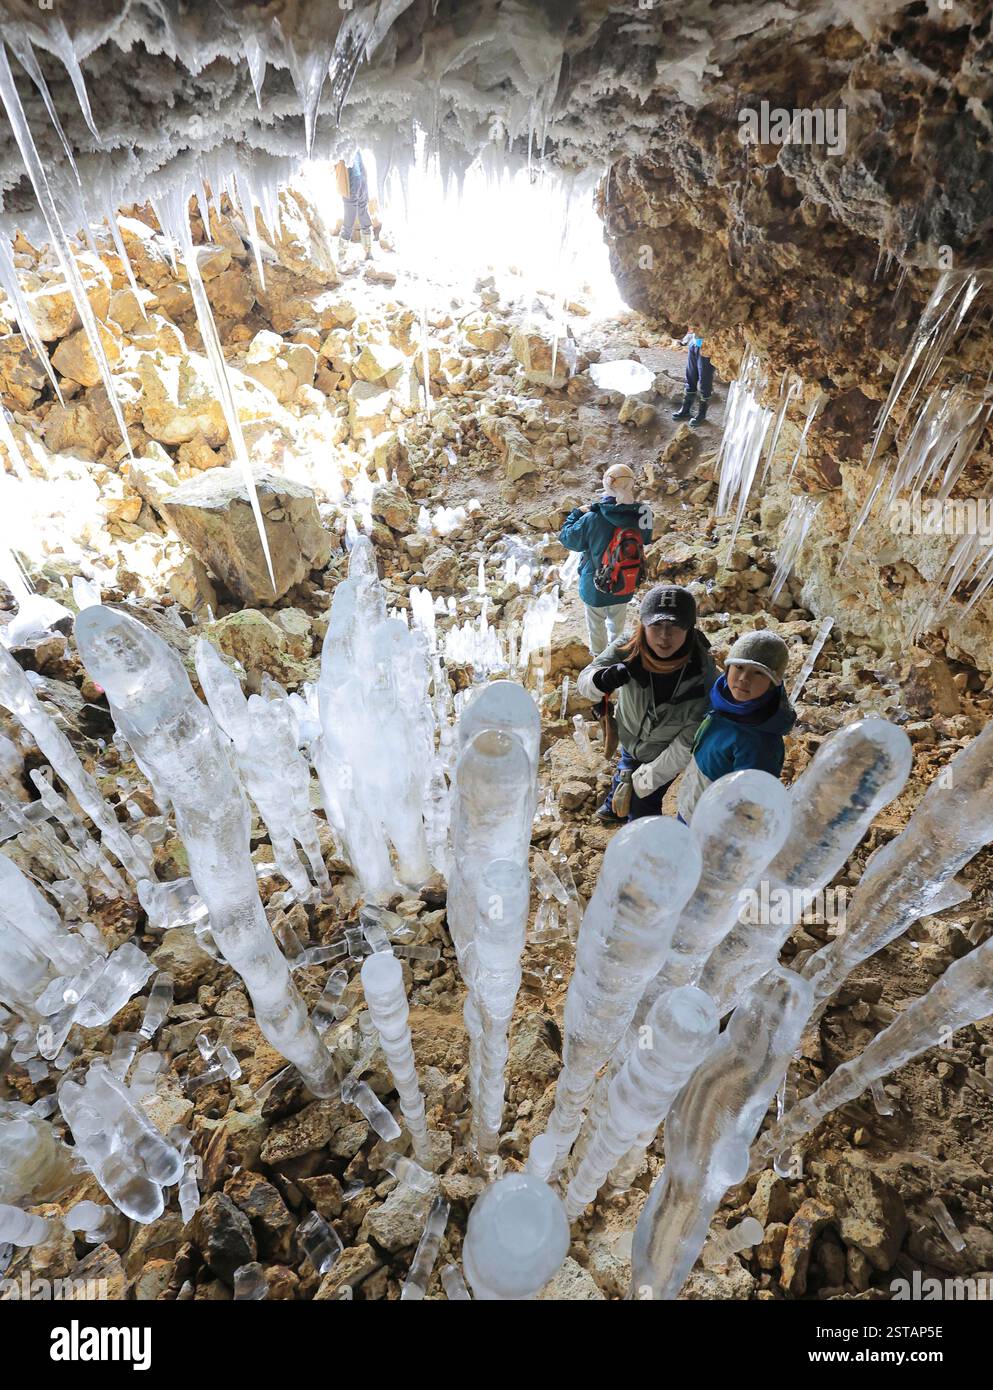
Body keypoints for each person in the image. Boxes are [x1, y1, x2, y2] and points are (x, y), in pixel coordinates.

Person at [577, 584, 717, 823]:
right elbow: (585, 681)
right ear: (643, 624)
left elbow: (685, 744)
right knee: (625, 770)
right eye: (656, 625)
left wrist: (646, 780)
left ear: (689, 628)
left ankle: (642, 844)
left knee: (642, 805)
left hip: (664, 752)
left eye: (674, 626)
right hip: (630, 737)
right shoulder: (628, 647)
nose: (664, 636)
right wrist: (600, 679)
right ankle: (613, 805)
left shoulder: (703, 676)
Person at [676, 630, 796, 824]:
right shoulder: (720, 702)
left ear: (773, 683)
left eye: (758, 673)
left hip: (712, 825)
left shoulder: (759, 743)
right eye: (739, 667)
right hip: (692, 804)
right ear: (727, 670)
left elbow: (749, 804)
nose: (744, 678)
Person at [559, 464, 653, 657]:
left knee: (596, 625)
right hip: (625, 581)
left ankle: (599, 661)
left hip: (595, 585)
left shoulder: (593, 516)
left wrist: (577, 513)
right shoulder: (644, 513)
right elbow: (645, 539)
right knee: (617, 624)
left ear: (607, 484)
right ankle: (616, 654)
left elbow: (567, 538)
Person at [670, 329, 714, 429]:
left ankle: (701, 413)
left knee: (705, 380)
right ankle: (685, 409)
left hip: (707, 348)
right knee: (690, 376)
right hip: (694, 343)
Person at [336, 149, 373, 262]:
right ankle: (343, 254)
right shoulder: (347, 147)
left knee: (358, 219)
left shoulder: (351, 147)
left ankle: (366, 252)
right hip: (355, 186)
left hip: (358, 185)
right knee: (353, 220)